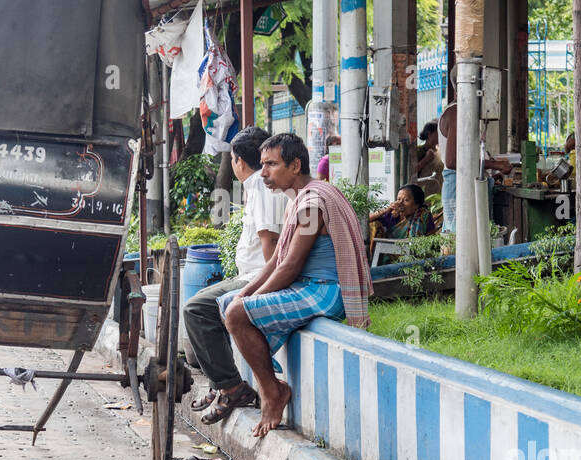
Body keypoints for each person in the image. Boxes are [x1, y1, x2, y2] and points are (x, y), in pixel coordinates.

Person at [222, 132, 372, 437]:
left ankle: (272, 393)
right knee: (229, 304)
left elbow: (291, 267)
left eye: (271, 164)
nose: (263, 173)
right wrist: (243, 295)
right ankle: (269, 384)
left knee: (237, 314)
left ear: (295, 165)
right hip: (306, 287)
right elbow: (275, 261)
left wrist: (247, 305)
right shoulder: (298, 200)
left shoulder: (311, 204)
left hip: (324, 291)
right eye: (262, 165)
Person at [184, 127, 287, 425]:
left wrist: (264, 289)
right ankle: (221, 383)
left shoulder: (262, 188)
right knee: (206, 305)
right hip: (253, 274)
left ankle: (231, 387)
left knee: (196, 310)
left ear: (239, 161)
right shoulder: (258, 187)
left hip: (259, 277)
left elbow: (271, 245)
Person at [438, 88, 512, 233]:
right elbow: (452, 161)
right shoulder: (456, 113)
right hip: (458, 186)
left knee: (478, 238)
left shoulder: (463, 112)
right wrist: (495, 165)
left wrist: (487, 172)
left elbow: (467, 154)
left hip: (467, 183)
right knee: (458, 240)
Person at [369, 184, 435, 240]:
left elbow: (431, 239)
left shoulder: (423, 215)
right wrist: (386, 210)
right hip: (389, 253)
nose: (400, 203)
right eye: (398, 199)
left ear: (416, 205)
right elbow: (367, 219)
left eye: (406, 200)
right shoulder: (392, 215)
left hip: (416, 254)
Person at [415, 122, 443, 197]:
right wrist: (426, 159)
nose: (440, 136)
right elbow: (413, 171)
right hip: (424, 192)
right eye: (438, 133)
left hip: (438, 192)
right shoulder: (419, 150)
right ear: (429, 134)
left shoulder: (440, 151)